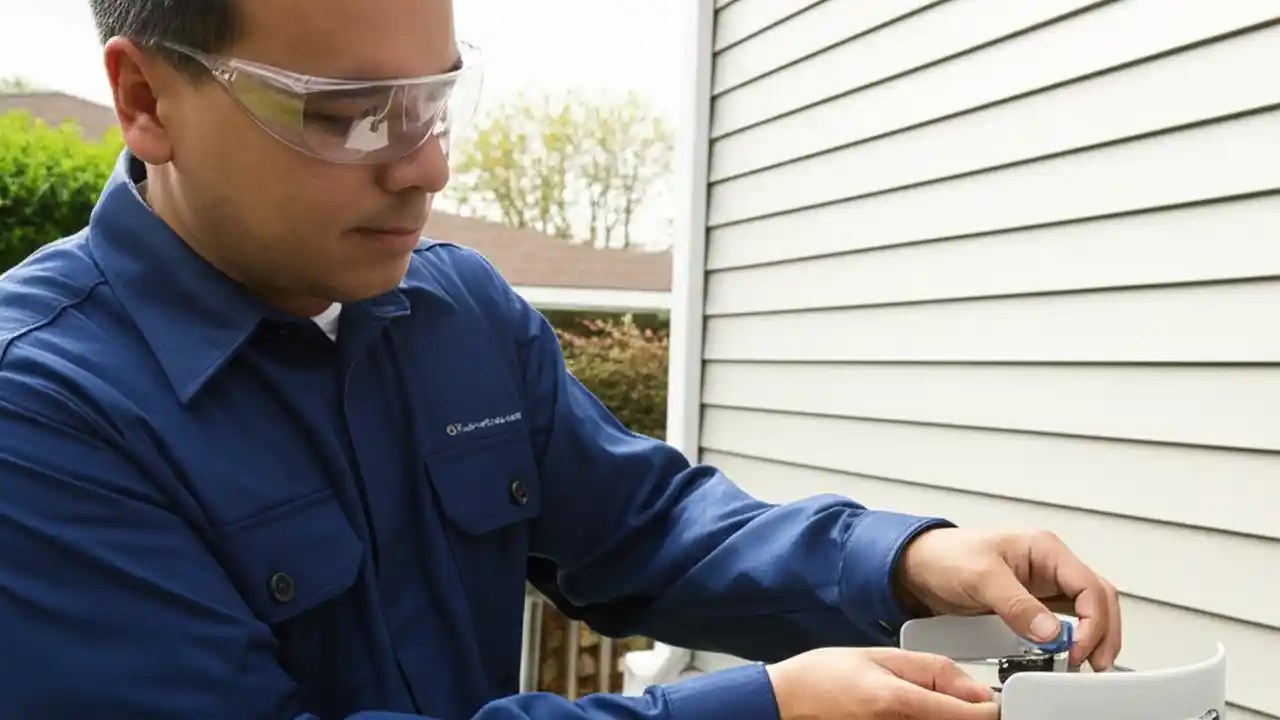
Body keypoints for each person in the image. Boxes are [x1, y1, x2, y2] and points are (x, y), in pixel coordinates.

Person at [0, 0, 1121, 718]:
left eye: (432, 100)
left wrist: (900, 561)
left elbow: (649, 529)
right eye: (347, 116)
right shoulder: (41, 409)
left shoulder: (459, 315)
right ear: (145, 98)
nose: (426, 168)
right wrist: (760, 713)